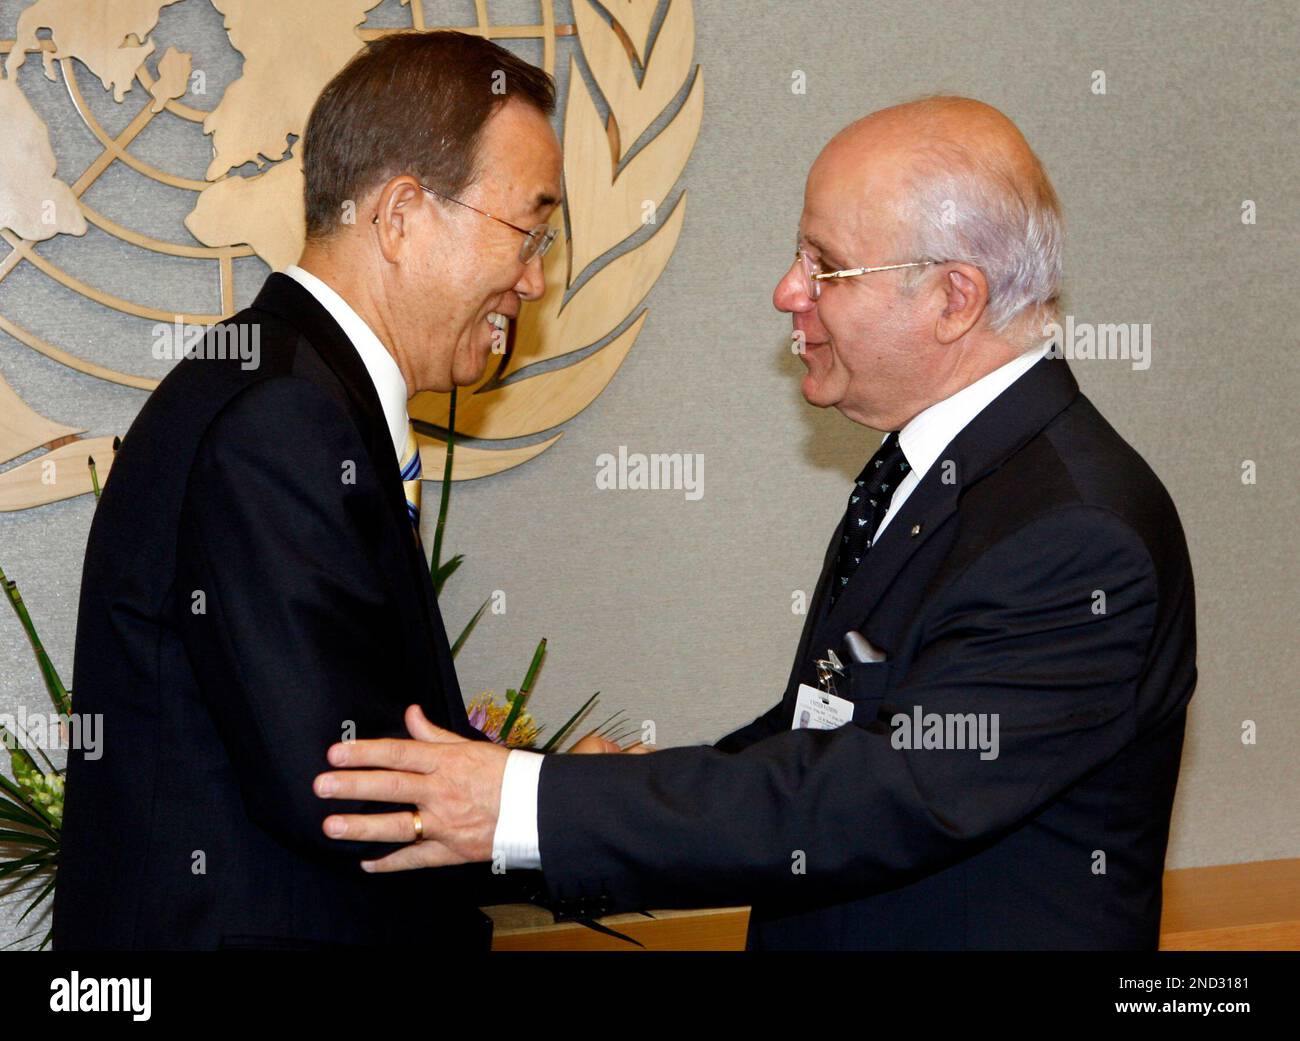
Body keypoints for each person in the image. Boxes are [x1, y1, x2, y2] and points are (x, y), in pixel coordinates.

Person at [315, 97, 1198, 951]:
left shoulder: (1078, 537)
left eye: (826, 266)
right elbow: (820, 732)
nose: (788, 291)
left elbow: (870, 794)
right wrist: (584, 795)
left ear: (954, 299)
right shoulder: (933, 474)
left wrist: (527, 803)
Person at [54, 30, 564, 950]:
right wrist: (565, 807)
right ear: (403, 213)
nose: (533, 277)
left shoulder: (285, 383)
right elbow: (339, 783)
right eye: (528, 229)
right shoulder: (283, 415)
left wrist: (547, 788)